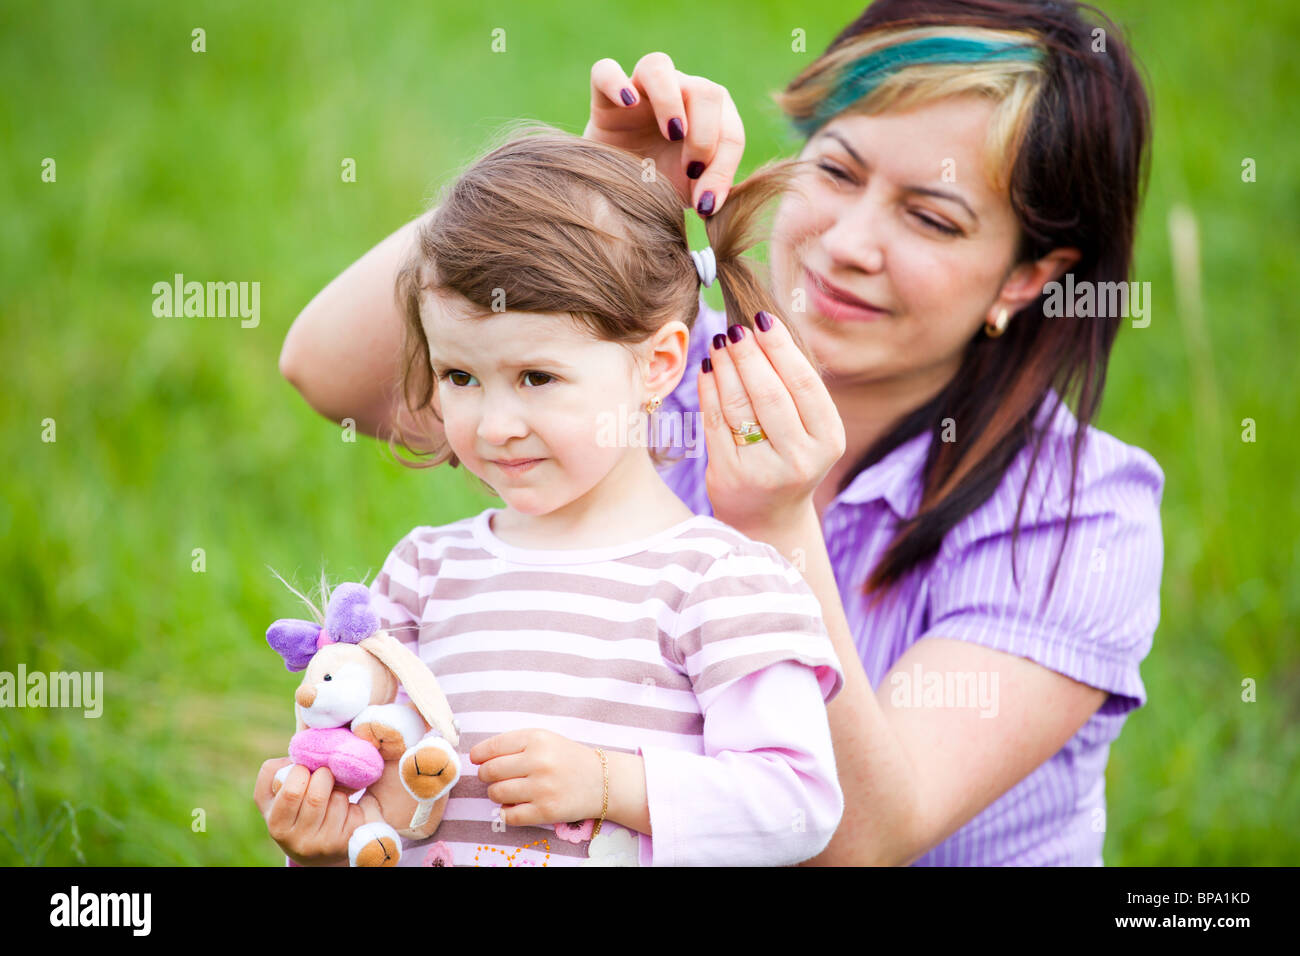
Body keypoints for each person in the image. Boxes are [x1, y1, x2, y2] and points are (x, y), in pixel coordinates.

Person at [274, 0, 1165, 865]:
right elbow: (328, 371)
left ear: (1026, 278)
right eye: (840, 171)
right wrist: (575, 186)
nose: (850, 241)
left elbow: (856, 844)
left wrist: (778, 529)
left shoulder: (1079, 515)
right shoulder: (649, 362)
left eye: (931, 217)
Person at [255, 126, 846, 866]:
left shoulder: (723, 581)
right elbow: (381, 794)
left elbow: (798, 803)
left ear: (659, 364)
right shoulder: (423, 574)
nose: (497, 426)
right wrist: (322, 844)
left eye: (537, 378)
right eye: (460, 378)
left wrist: (610, 783)